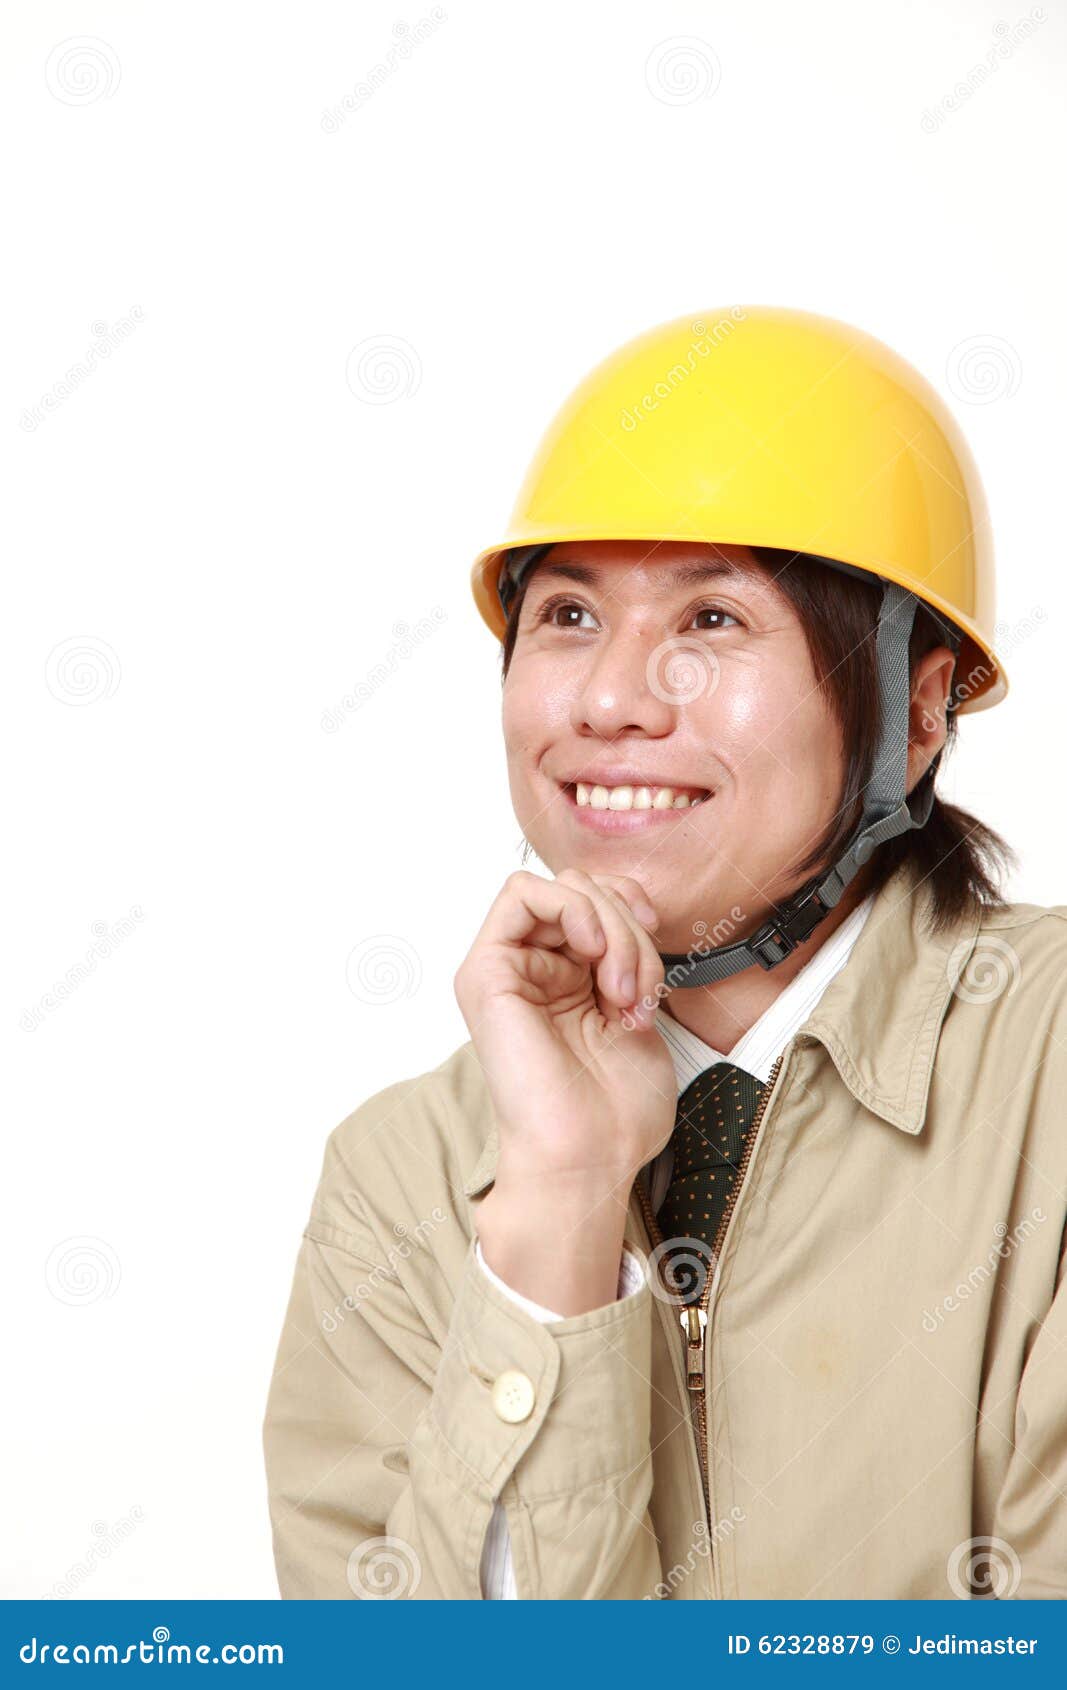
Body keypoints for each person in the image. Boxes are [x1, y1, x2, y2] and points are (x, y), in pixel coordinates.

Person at [262, 307, 1067, 1600]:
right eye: (570, 611)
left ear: (918, 711)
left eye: (711, 620)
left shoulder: (1048, 1072)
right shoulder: (397, 1184)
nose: (610, 697)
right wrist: (559, 1209)